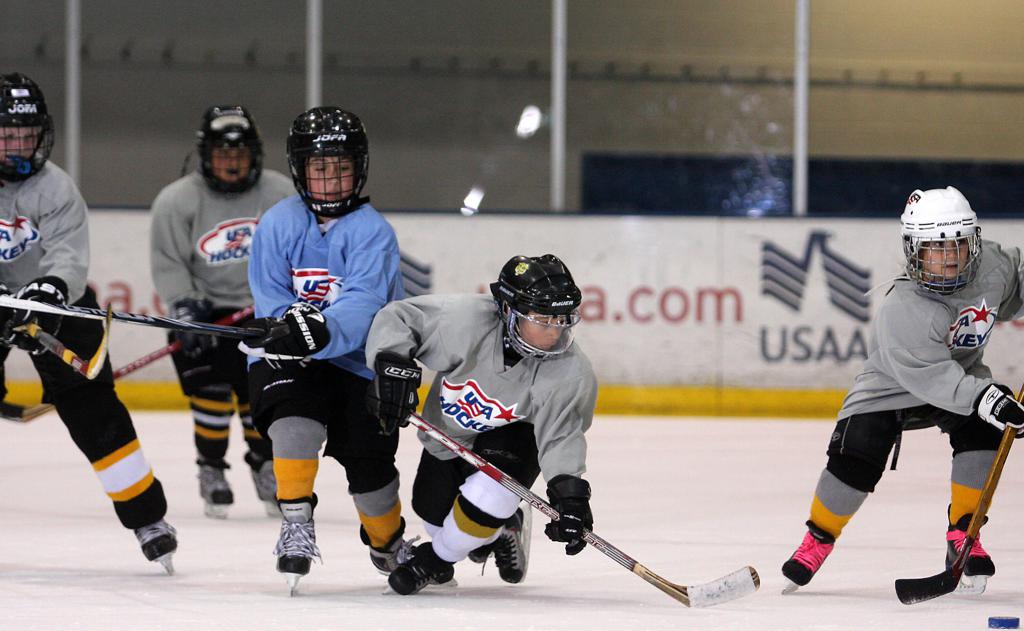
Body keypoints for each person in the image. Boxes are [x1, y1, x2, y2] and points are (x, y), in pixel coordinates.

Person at [781, 186, 1024, 595]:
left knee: (985, 430)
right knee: (857, 452)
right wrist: (985, 398)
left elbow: (1018, 283)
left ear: (974, 243)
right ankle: (819, 537)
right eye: (935, 248)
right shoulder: (905, 306)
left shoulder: (995, 267)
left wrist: (987, 403)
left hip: (961, 376)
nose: (948, 257)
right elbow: (929, 376)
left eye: (957, 245)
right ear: (915, 250)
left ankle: (964, 533)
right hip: (890, 387)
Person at [0, 73, 176, 572]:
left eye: (26, 132)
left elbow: (68, 258)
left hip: (56, 305)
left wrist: (48, 289)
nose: (19, 144)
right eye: (6, 133)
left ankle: (148, 518)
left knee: (93, 407)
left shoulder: (55, 187)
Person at [239, 106, 409, 592]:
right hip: (291, 356)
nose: (331, 180)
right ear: (299, 169)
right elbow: (269, 293)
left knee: (370, 466)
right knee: (293, 419)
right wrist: (286, 325)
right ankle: (295, 523)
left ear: (359, 167)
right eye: (320, 167)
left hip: (357, 362)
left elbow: (364, 305)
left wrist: (323, 330)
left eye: (341, 167)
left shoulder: (373, 232)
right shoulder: (278, 223)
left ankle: (387, 543)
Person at [365, 253, 599, 595]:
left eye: (562, 319)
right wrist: (392, 364)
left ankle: (433, 560)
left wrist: (570, 493)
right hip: (449, 436)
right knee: (437, 517)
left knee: (484, 502)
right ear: (507, 310)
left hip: (515, 438)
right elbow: (400, 319)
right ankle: (503, 528)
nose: (554, 331)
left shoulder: (571, 371)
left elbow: (560, 435)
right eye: (542, 319)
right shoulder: (462, 322)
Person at [150, 105, 293, 519]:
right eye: (223, 154)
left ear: (255, 154)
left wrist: (283, 299)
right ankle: (211, 468)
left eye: (240, 153)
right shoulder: (176, 200)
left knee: (261, 393)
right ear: (206, 155)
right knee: (210, 392)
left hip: (262, 310)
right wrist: (184, 304)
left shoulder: (281, 194)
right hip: (203, 311)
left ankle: (265, 463)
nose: (232, 163)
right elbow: (168, 262)